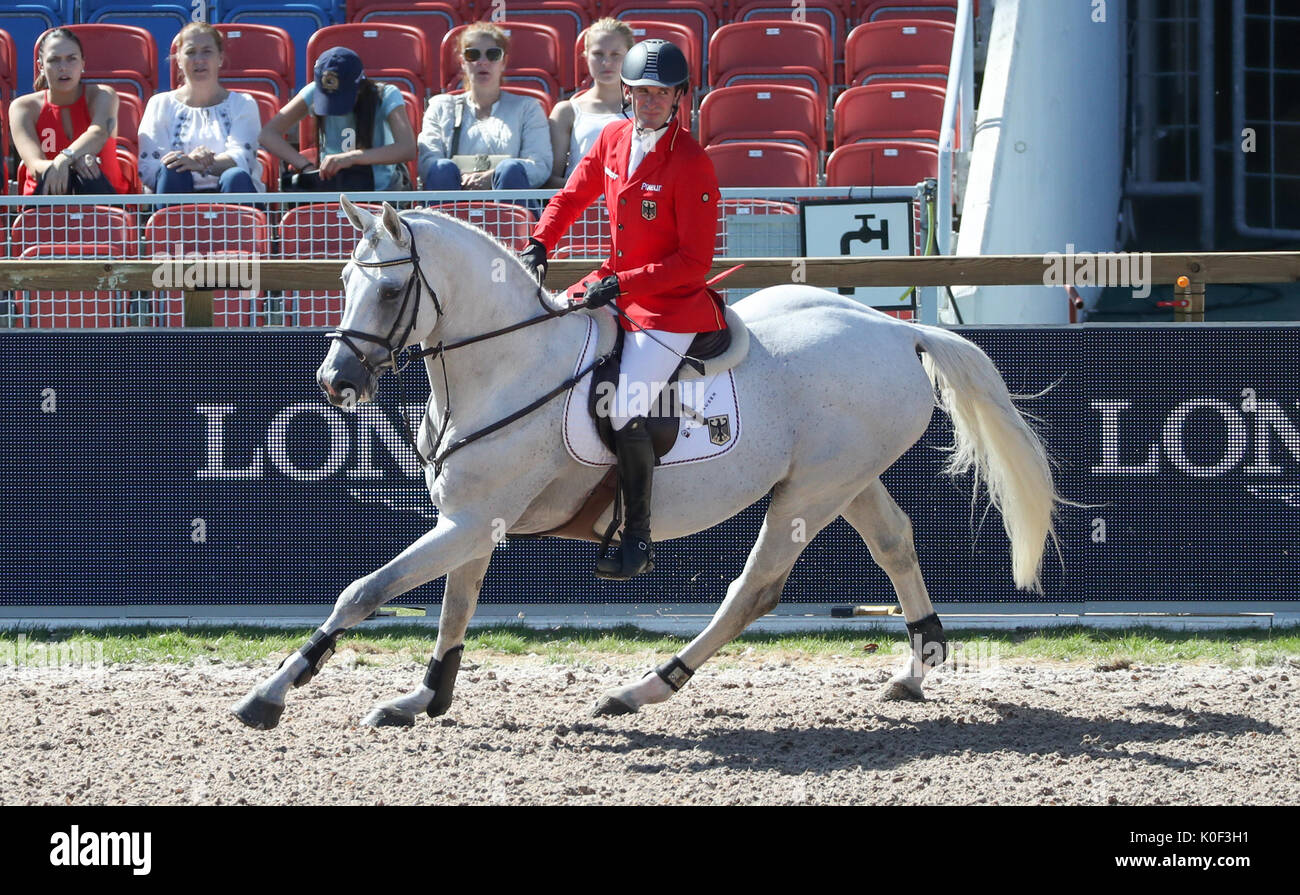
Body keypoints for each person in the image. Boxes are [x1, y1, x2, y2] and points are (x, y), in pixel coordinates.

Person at [519, 39, 725, 580]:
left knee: (625, 407)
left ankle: (637, 536)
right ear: (625, 92)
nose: (651, 102)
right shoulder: (612, 137)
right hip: (611, 286)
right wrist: (541, 242)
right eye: (641, 92)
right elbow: (570, 196)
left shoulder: (692, 163)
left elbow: (693, 262)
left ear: (679, 97)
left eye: (662, 93)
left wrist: (623, 283)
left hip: (667, 309)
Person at [417, 23, 551, 193]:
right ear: (462, 62)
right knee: (442, 169)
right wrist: (460, 176)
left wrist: (494, 175)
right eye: (472, 55)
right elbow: (428, 162)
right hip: (453, 196)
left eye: (493, 54)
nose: (482, 62)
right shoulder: (440, 107)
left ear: (504, 61)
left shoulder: (528, 108)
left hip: (508, 202)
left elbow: (539, 164)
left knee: (510, 169)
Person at [261, 46, 416, 192]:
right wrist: (305, 166)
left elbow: (407, 149)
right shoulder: (313, 91)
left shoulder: (386, 95)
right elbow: (268, 135)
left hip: (380, 191)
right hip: (332, 189)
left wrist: (352, 157)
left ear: (360, 86)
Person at [138, 22, 262, 194]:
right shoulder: (159, 104)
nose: (199, 60)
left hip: (230, 193)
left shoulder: (243, 104)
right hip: (176, 192)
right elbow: (149, 169)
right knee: (171, 171)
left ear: (220, 58)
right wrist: (187, 161)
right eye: (190, 52)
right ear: (179, 60)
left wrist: (201, 164)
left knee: (235, 176)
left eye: (207, 51)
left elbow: (244, 159)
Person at [10, 28, 126, 195]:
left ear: (83, 64)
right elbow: (35, 164)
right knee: (58, 174)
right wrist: (68, 165)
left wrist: (65, 159)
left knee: (86, 173)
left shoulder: (103, 95)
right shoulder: (23, 107)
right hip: (47, 194)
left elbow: (98, 133)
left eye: (71, 59)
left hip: (102, 194)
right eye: (54, 60)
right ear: (41, 66)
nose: (63, 67)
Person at [544, 18, 633, 188]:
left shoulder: (646, 108)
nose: (606, 62)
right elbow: (550, 180)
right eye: (598, 54)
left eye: (615, 55)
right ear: (585, 56)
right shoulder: (567, 111)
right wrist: (592, 189)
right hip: (581, 210)